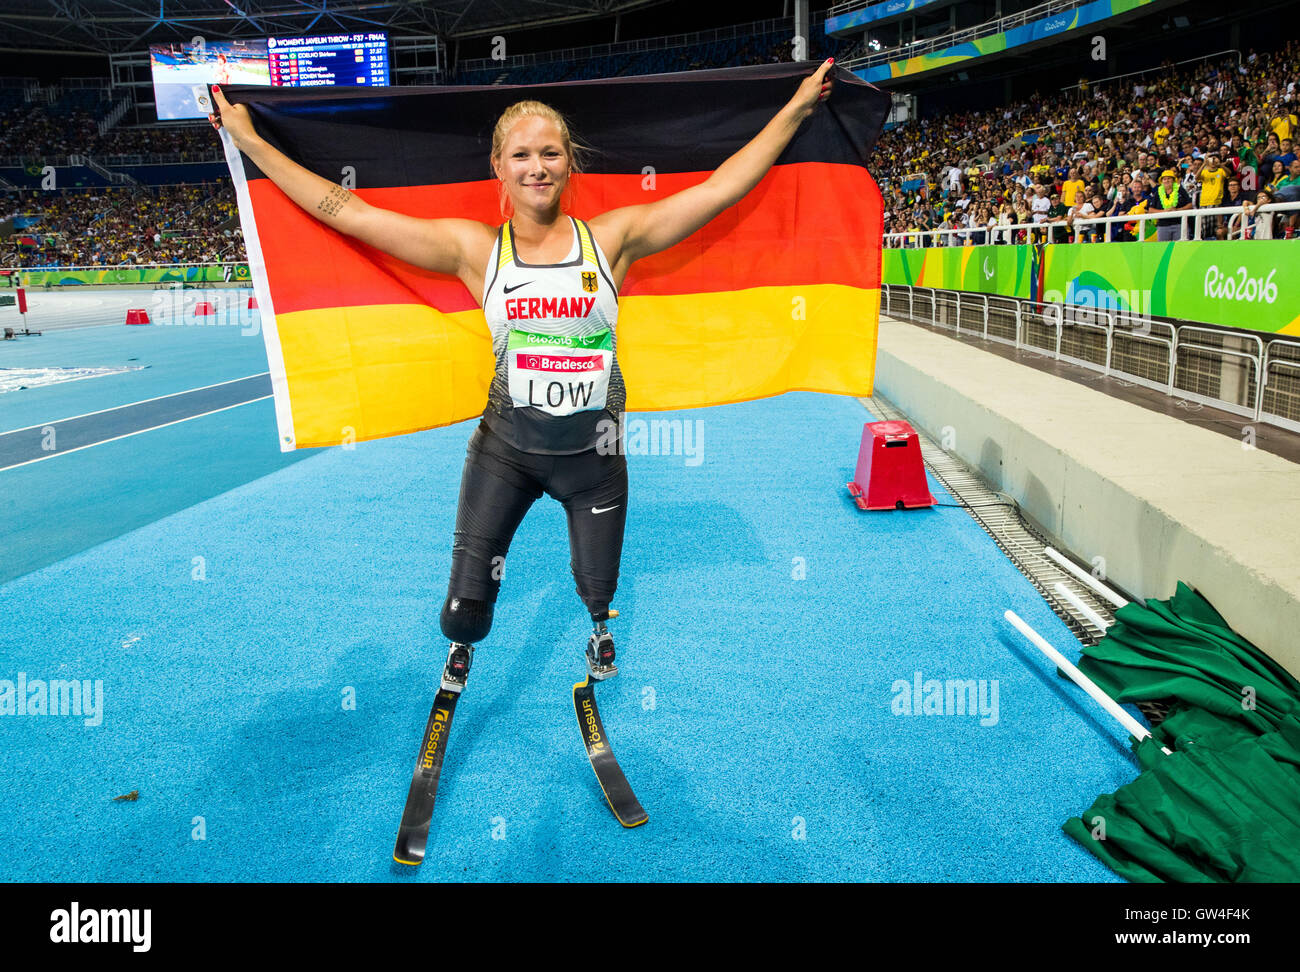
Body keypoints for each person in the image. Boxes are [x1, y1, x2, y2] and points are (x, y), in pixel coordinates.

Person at [209, 61, 838, 690]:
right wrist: (253, 142)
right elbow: (345, 210)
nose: (536, 167)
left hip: (594, 462)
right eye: (521, 156)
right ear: (499, 167)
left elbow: (721, 189)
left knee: (598, 592)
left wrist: (799, 108)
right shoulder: (474, 249)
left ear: (570, 164)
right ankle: (462, 653)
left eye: (550, 153)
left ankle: (597, 636)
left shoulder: (613, 239)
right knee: (463, 613)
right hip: (504, 455)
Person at [1152, 169, 1193, 241]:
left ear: (1173, 180)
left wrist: (1177, 210)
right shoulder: (1158, 192)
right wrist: (1164, 211)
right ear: (1161, 181)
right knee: (1163, 249)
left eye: (1169, 178)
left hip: (1179, 224)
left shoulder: (1180, 190)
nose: (1166, 181)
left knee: (1180, 248)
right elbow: (1150, 210)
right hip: (1163, 225)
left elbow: (1190, 205)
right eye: (1164, 179)